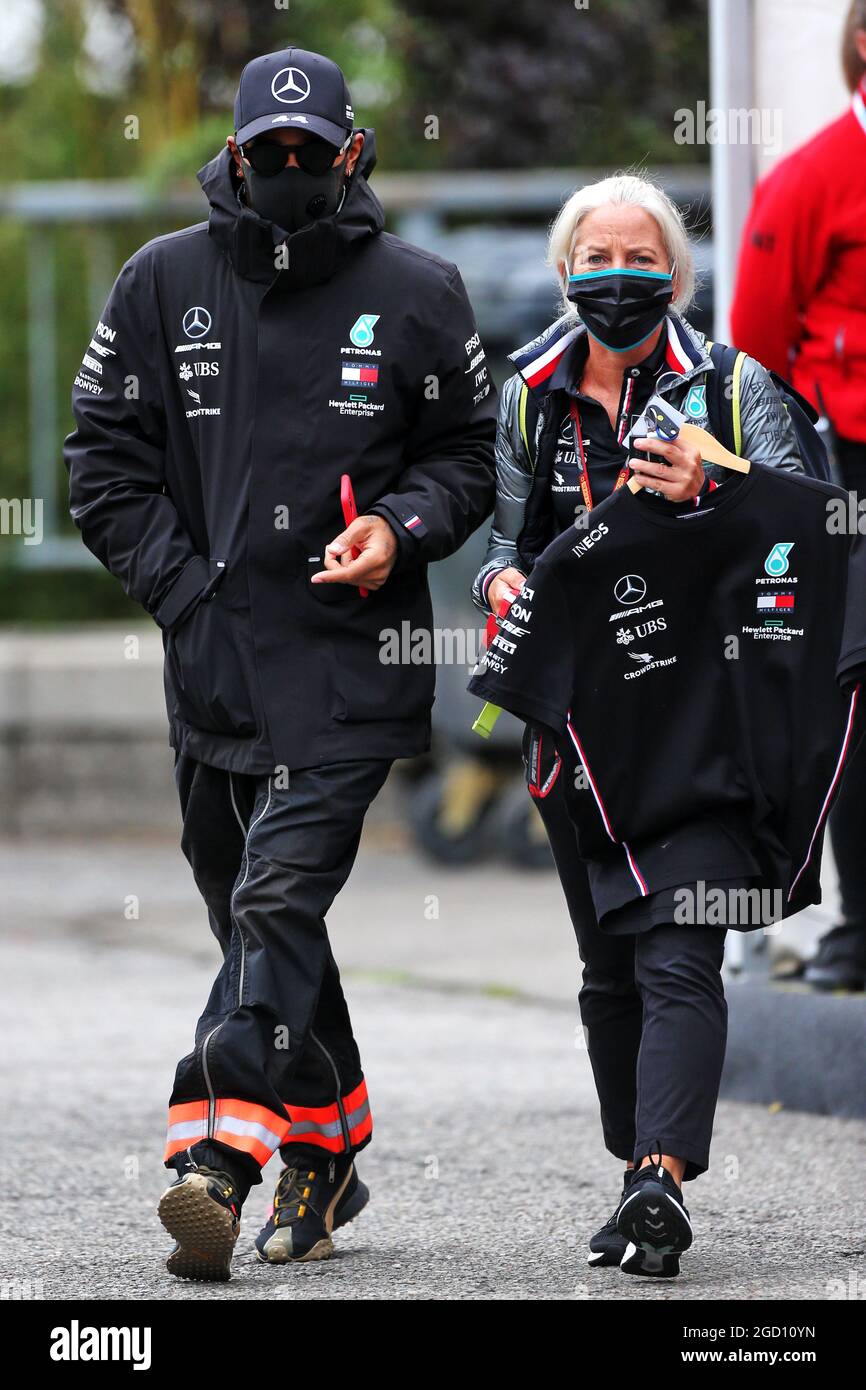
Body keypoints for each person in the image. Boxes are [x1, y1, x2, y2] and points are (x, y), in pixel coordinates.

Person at [65, 45, 496, 1281]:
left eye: (315, 155)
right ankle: (332, 1147)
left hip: (354, 670)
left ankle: (215, 1155)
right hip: (212, 669)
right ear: (237, 157)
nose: (293, 173)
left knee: (272, 906)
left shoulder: (420, 291)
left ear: (352, 153)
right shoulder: (161, 283)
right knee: (255, 920)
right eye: (272, 156)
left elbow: (465, 457)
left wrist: (399, 529)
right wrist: (187, 594)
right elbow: (101, 465)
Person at [472, 173, 804, 1278]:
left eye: (640, 261)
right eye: (595, 263)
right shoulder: (524, 391)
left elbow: (807, 521)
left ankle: (659, 1171)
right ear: (565, 276)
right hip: (578, 722)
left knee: (679, 953)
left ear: (677, 273)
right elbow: (496, 548)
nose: (618, 280)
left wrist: (710, 474)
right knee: (608, 969)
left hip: (704, 713)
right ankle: (637, 1172)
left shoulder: (731, 383)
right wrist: (498, 593)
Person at [730, 0, 866, 993]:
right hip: (847, 472)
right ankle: (857, 926)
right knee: (853, 696)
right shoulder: (810, 179)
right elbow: (756, 352)